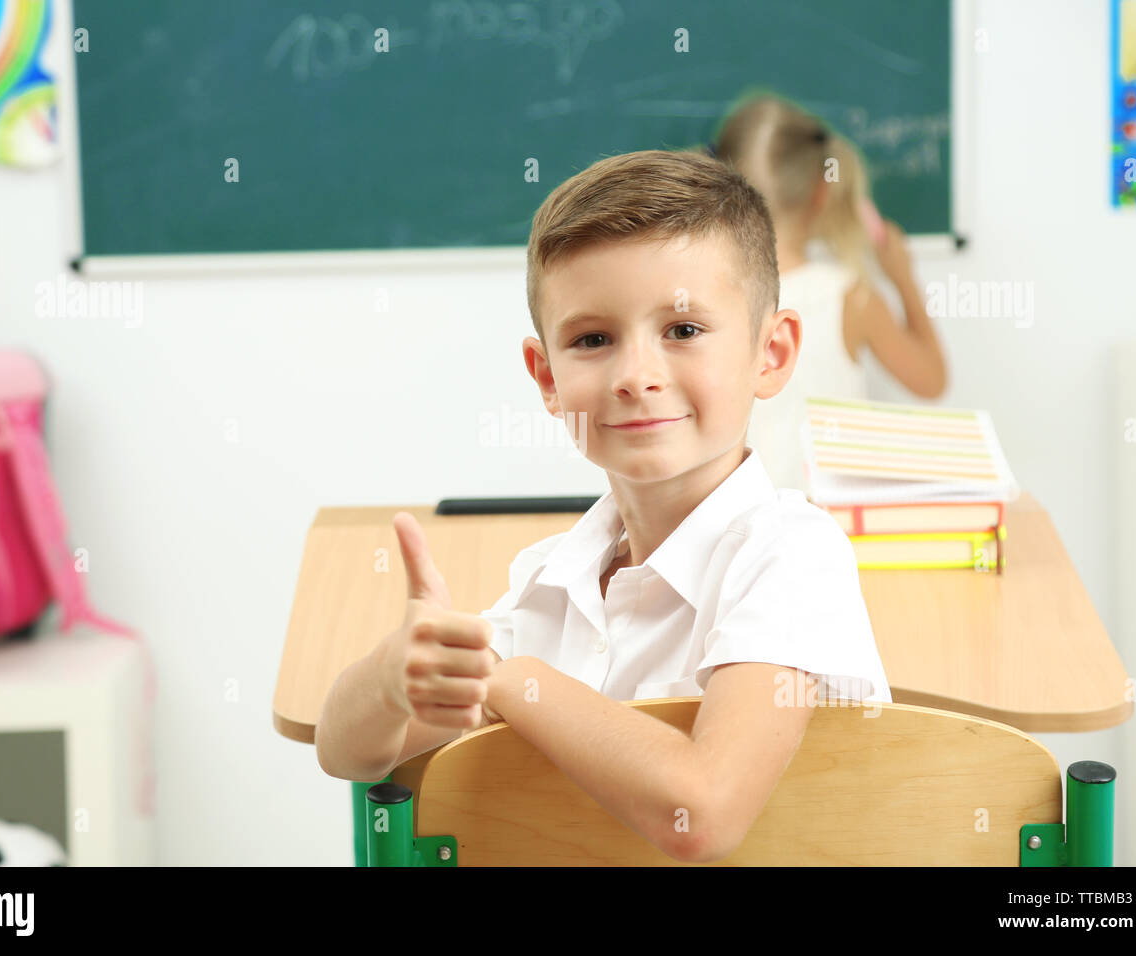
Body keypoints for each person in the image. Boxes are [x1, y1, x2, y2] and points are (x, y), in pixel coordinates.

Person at [316, 149, 891, 863]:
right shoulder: (548, 581)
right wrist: (391, 674)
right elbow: (347, 754)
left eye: (682, 331)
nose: (636, 376)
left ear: (770, 353)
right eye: (593, 340)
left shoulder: (790, 554)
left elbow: (701, 812)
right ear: (546, 377)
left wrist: (517, 680)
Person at [714, 93, 949, 491]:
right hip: (831, 528)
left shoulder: (706, 295)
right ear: (822, 194)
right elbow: (931, 380)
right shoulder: (849, 295)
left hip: (738, 526)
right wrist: (904, 279)